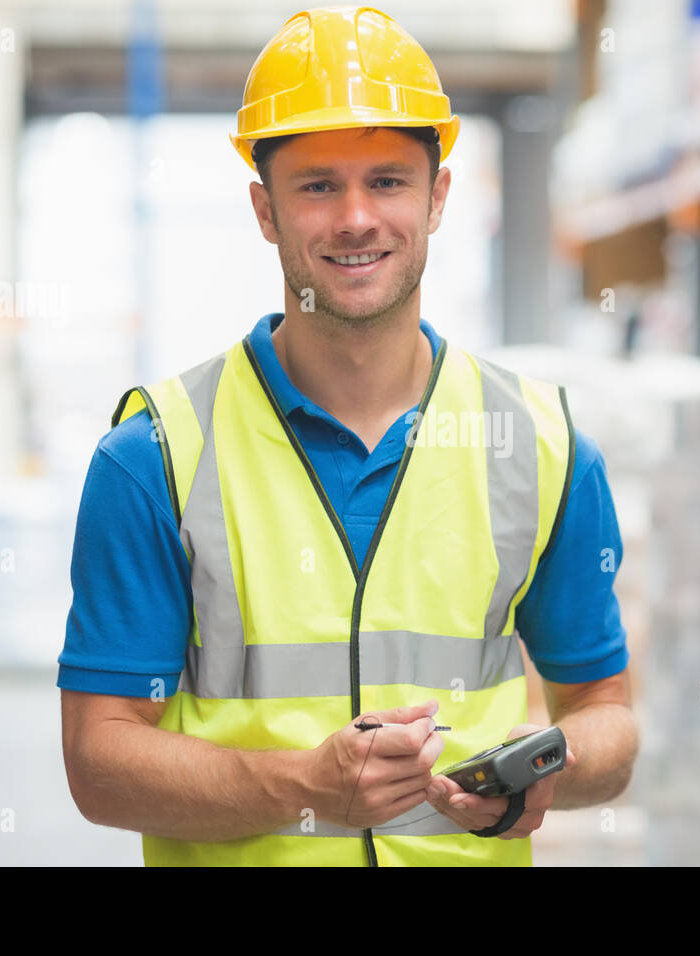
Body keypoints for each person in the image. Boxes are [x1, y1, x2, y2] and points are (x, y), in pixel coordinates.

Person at [58, 4, 637, 866]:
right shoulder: (157, 458)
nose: (357, 218)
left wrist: (546, 771)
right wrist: (302, 787)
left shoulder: (541, 446)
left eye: (389, 181)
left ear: (439, 196)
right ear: (266, 210)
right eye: (319, 185)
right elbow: (98, 762)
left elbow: (607, 716)